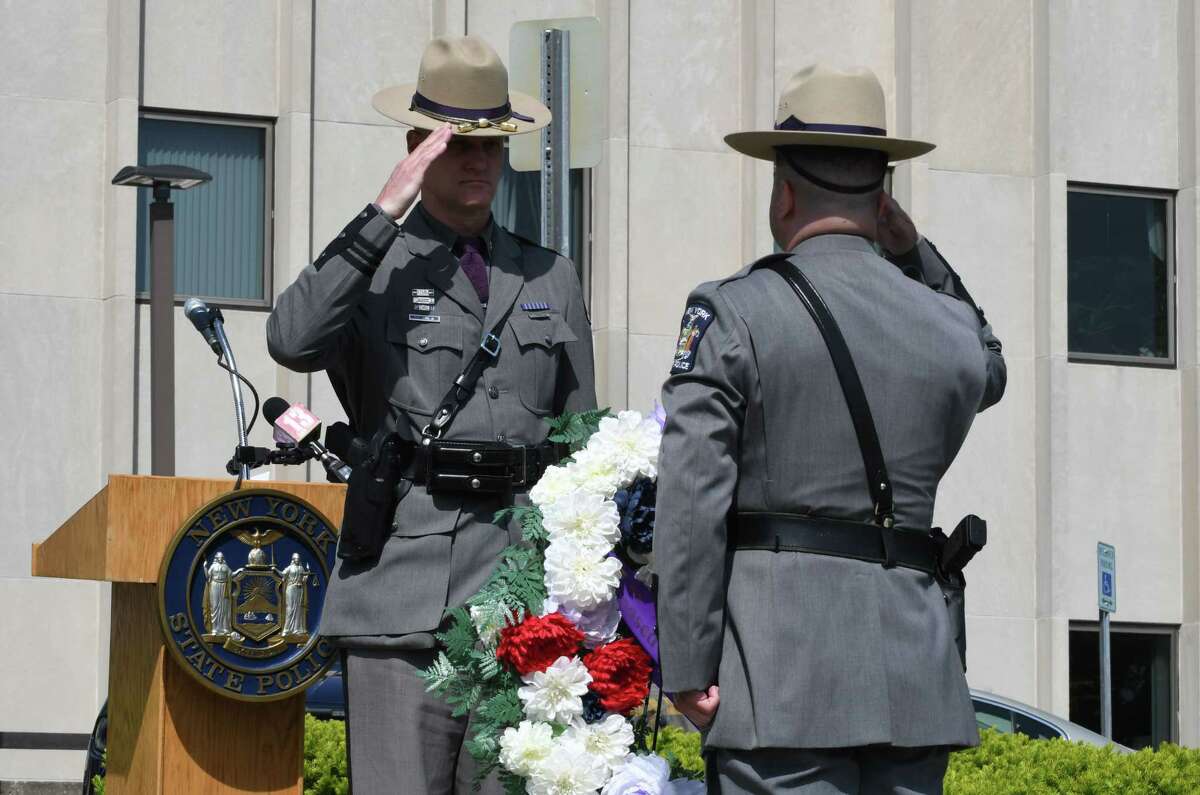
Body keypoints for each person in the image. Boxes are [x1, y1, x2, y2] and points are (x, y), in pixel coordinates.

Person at [654, 64, 1007, 794]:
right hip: (916, 681)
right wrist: (916, 256)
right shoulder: (945, 327)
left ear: (784, 192)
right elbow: (992, 365)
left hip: (780, 680)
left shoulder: (733, 313)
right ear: (885, 199)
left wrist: (686, 665)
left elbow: (692, 502)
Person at [266, 35, 596, 795]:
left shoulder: (551, 274)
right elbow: (291, 337)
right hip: (400, 595)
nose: (479, 160)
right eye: (458, 143)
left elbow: (581, 438)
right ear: (419, 143)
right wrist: (386, 209)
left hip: (517, 603)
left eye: (493, 142)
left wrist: (587, 607)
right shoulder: (374, 265)